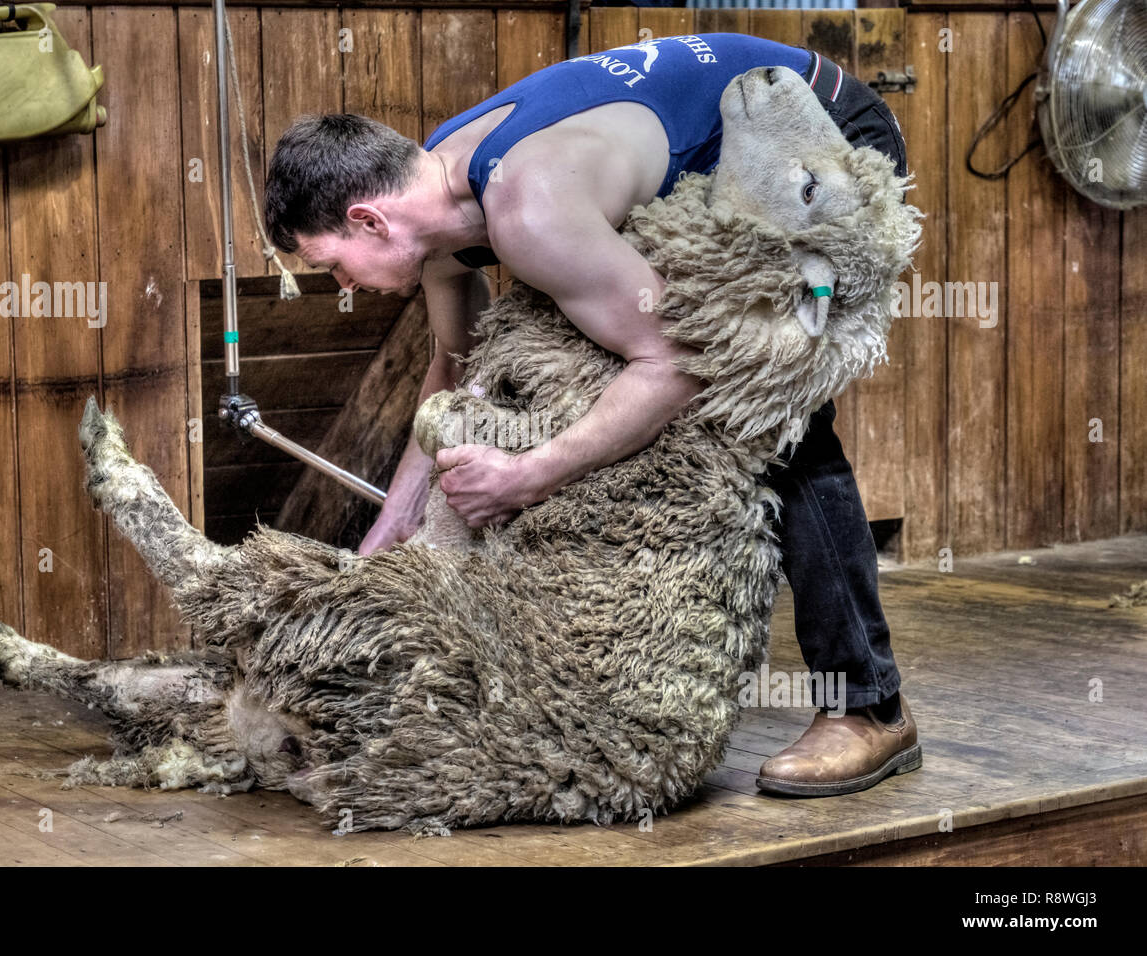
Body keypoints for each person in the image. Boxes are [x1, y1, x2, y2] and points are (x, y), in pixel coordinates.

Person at [262, 32, 920, 797]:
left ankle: (870, 708)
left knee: (771, 411)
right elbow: (455, 369)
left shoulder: (526, 208)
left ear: (369, 218)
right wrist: (392, 529)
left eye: (332, 264)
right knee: (608, 355)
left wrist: (528, 476)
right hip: (711, 145)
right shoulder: (440, 192)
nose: (344, 283)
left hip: (812, 122)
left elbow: (678, 361)